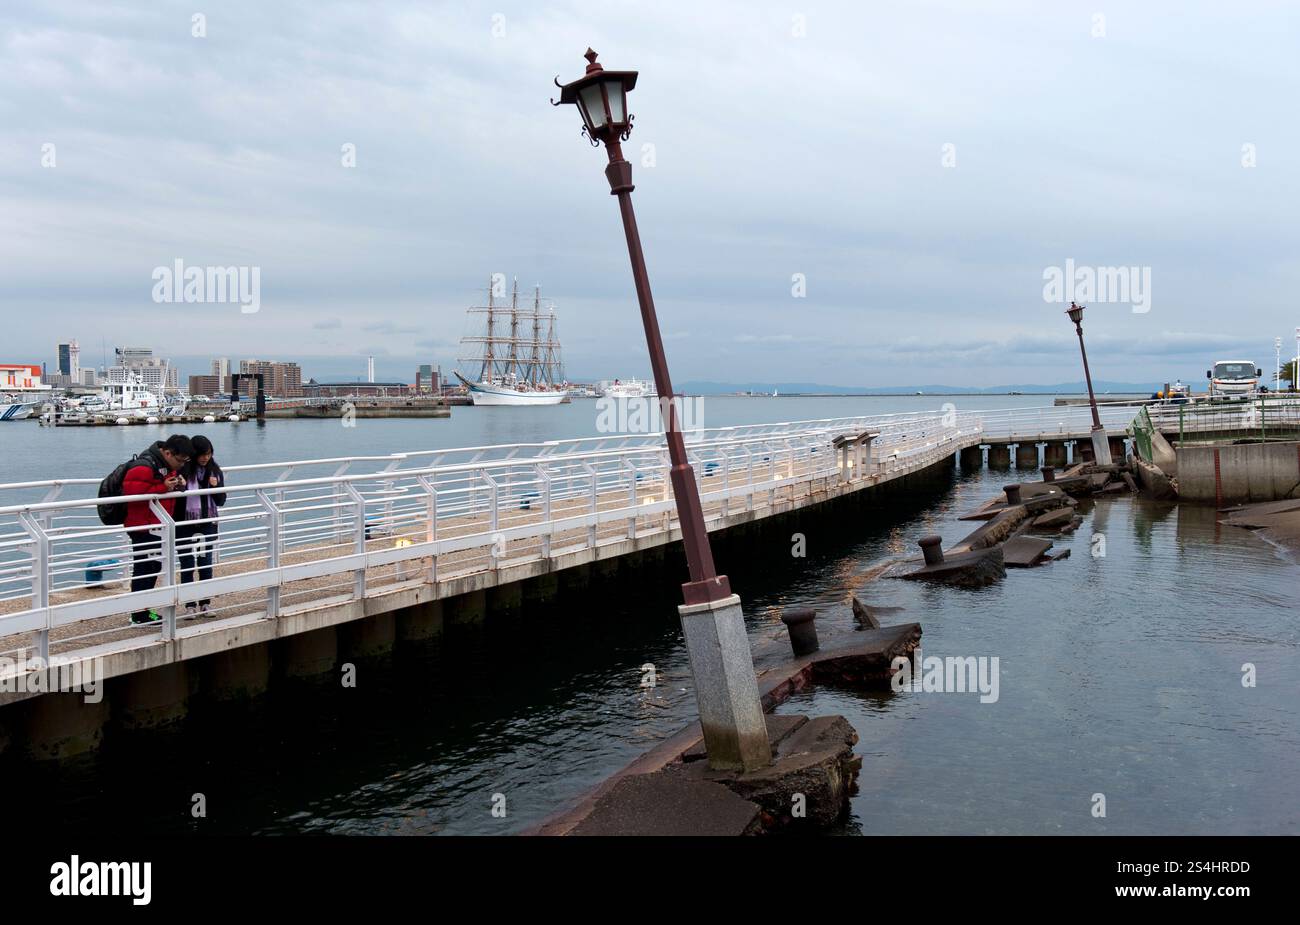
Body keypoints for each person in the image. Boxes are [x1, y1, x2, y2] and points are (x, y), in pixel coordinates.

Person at [123, 435, 193, 625]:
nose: (180, 465)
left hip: (156, 525)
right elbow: (132, 494)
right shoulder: (144, 466)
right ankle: (138, 614)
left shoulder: (164, 465)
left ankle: (145, 611)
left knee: (153, 566)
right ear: (168, 453)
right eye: (179, 460)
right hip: (143, 526)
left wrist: (175, 485)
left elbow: (156, 489)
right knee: (144, 568)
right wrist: (163, 486)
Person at [173, 435, 226, 615]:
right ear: (194, 454)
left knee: (205, 564)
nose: (206, 458)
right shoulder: (183, 472)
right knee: (187, 564)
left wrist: (214, 487)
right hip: (185, 523)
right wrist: (180, 487)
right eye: (202, 454)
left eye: (209, 454)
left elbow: (221, 501)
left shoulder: (215, 472)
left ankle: (205, 603)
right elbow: (176, 500)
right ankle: (189, 606)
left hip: (207, 522)